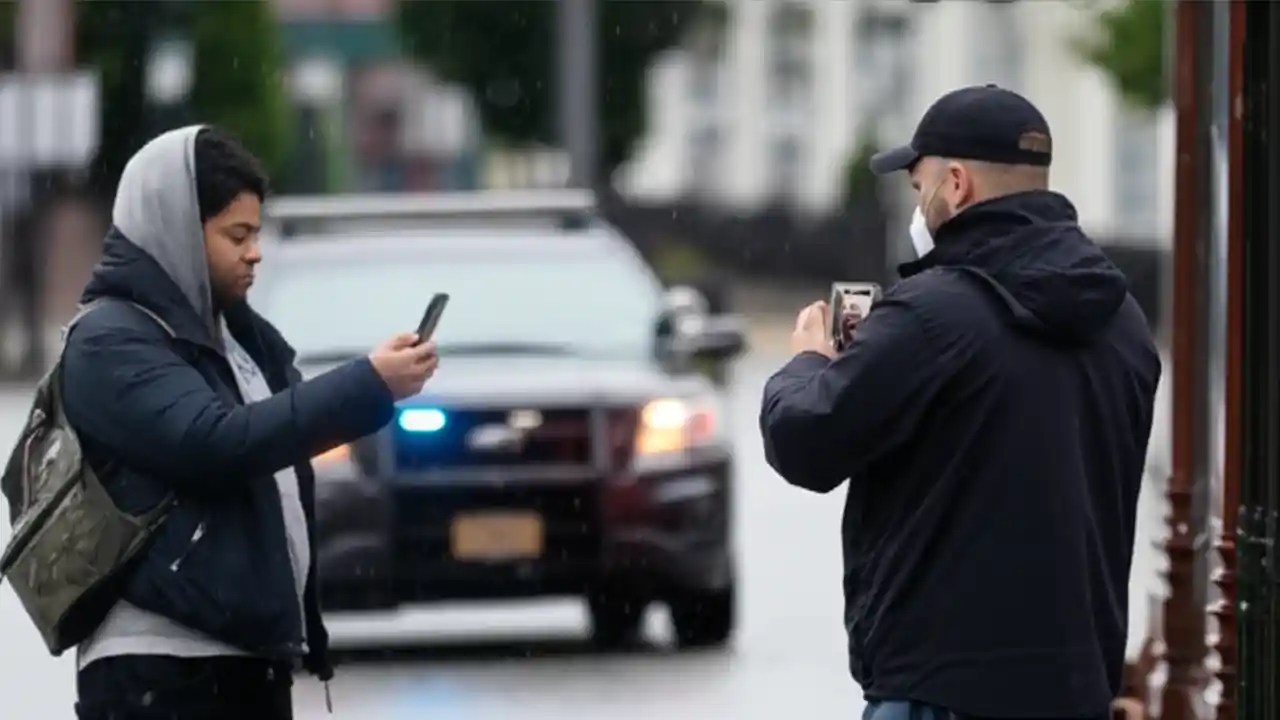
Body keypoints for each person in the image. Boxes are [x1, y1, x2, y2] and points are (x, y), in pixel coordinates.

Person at [759, 85, 1161, 720]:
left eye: (919, 187)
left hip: (937, 689)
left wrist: (809, 361)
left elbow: (804, 442)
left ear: (955, 183)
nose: (918, 206)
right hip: (1075, 685)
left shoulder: (932, 315)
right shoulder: (1124, 322)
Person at [62, 126, 437, 719]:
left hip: (244, 657)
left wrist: (371, 384)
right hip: (161, 665)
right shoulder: (110, 340)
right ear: (178, 232)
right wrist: (368, 382)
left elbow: (273, 437)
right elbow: (217, 443)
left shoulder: (238, 335)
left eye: (256, 234)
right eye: (237, 236)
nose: (255, 252)